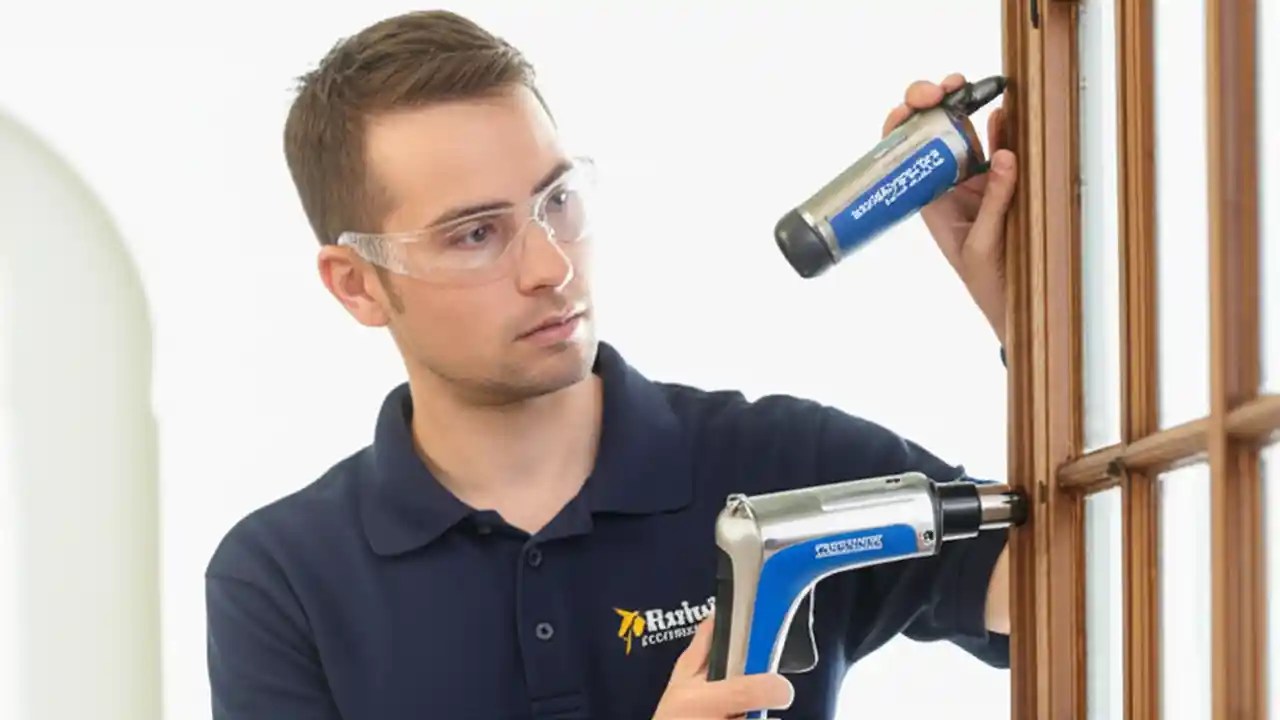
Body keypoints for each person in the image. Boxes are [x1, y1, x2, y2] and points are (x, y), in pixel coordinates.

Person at [204, 9, 1019, 720]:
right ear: (358, 286)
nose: (549, 266)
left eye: (557, 200)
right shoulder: (284, 584)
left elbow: (1092, 597)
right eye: (475, 234)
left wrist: (1028, 314)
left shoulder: (788, 468)